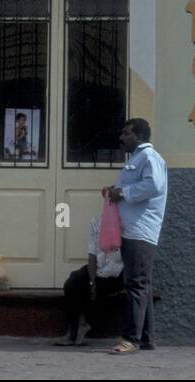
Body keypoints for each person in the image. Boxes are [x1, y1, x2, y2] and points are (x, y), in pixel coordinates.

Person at [106, 118, 168, 354]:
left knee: (136, 284)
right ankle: (146, 339)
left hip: (141, 231)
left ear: (139, 135)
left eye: (126, 133)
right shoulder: (136, 159)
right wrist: (114, 192)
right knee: (142, 284)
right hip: (132, 230)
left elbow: (154, 185)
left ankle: (131, 339)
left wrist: (123, 192)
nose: (122, 138)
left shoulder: (149, 157)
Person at [53, 211, 123, 346]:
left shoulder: (127, 225)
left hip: (118, 274)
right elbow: (92, 254)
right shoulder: (97, 222)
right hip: (99, 270)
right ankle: (74, 330)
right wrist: (92, 282)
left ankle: (85, 323)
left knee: (97, 290)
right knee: (73, 282)